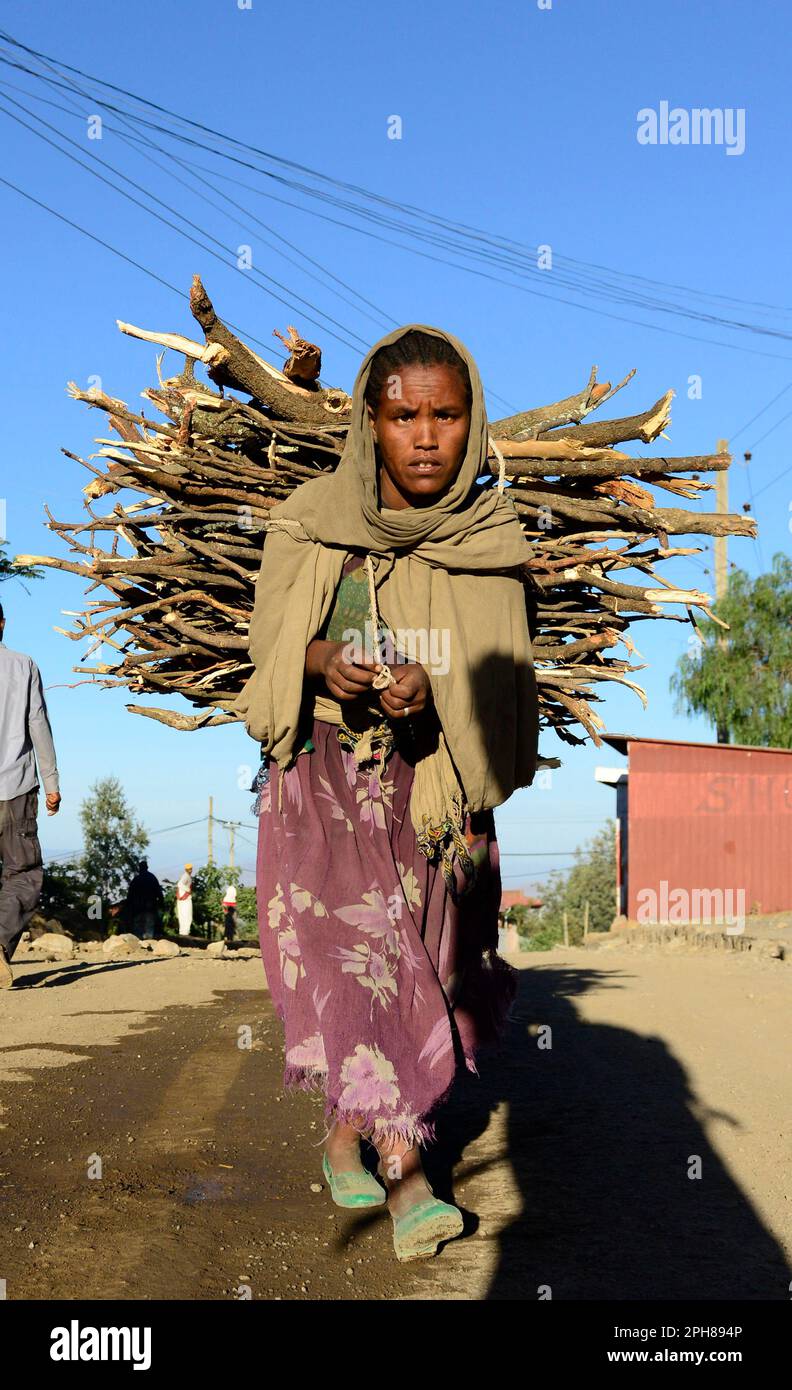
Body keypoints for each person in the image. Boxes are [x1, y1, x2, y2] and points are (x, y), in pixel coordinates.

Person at [235, 325, 539, 1262]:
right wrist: (328, 663)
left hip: (432, 790)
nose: (424, 436)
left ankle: (343, 1136)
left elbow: (499, 686)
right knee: (357, 963)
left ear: (471, 422)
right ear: (370, 420)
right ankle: (408, 1173)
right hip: (321, 783)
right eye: (403, 414)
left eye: (446, 416)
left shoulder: (488, 542)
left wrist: (429, 691)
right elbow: (271, 651)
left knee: (426, 967)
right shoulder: (309, 518)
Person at [0, 599, 61, 988]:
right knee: (23, 874)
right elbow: (38, 724)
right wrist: (52, 782)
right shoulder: (23, 666)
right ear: (2, 623)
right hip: (15, 789)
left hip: (16, 788)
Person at [125, 858, 165, 939]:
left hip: (137, 908)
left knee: (138, 927)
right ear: (147, 867)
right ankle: (148, 943)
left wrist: (128, 906)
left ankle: (139, 944)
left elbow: (130, 895)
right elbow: (159, 892)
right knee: (149, 926)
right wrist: (161, 903)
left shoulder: (136, 879)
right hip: (150, 906)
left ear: (139, 868)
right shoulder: (152, 878)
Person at [175, 863, 193, 936]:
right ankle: (185, 932)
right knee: (187, 916)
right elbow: (179, 884)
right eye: (189, 869)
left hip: (181, 899)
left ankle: (182, 932)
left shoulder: (185, 876)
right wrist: (188, 890)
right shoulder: (186, 876)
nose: (190, 870)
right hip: (185, 899)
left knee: (182, 916)